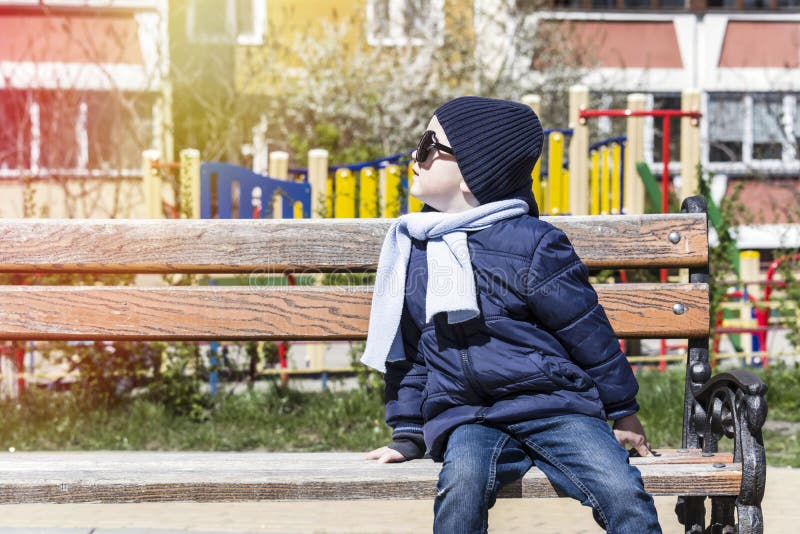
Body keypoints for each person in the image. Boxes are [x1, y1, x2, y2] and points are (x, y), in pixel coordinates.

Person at [361, 96, 661, 533]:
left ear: (472, 173)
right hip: (469, 415)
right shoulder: (417, 248)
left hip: (556, 407)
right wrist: (408, 433)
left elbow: (586, 330)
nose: (415, 155)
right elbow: (412, 349)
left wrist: (623, 411)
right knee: (459, 488)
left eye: (429, 145)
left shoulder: (532, 244)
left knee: (621, 491)